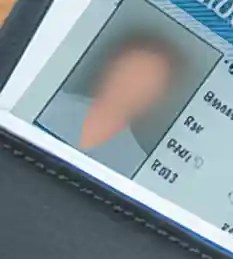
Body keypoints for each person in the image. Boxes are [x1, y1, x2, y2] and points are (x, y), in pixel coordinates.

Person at [39, 35, 182, 174]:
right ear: (110, 69)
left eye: (144, 83)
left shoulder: (135, 165)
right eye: (129, 72)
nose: (130, 86)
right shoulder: (50, 103)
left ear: (154, 97)